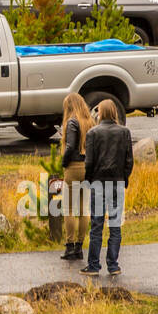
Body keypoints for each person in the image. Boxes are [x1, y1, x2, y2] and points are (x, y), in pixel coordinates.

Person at [80, 100, 132, 277]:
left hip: (98, 182)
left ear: (100, 113)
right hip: (117, 182)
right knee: (115, 225)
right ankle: (113, 265)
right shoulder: (124, 132)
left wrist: (88, 180)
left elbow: (89, 162)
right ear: (115, 112)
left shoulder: (93, 133)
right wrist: (124, 179)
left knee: (97, 225)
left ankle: (94, 265)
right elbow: (128, 160)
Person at [58, 92, 93, 261]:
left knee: (69, 209)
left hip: (74, 167)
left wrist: (64, 162)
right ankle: (80, 247)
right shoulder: (90, 122)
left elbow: (70, 146)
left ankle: (70, 247)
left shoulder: (72, 122)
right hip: (87, 168)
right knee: (84, 208)